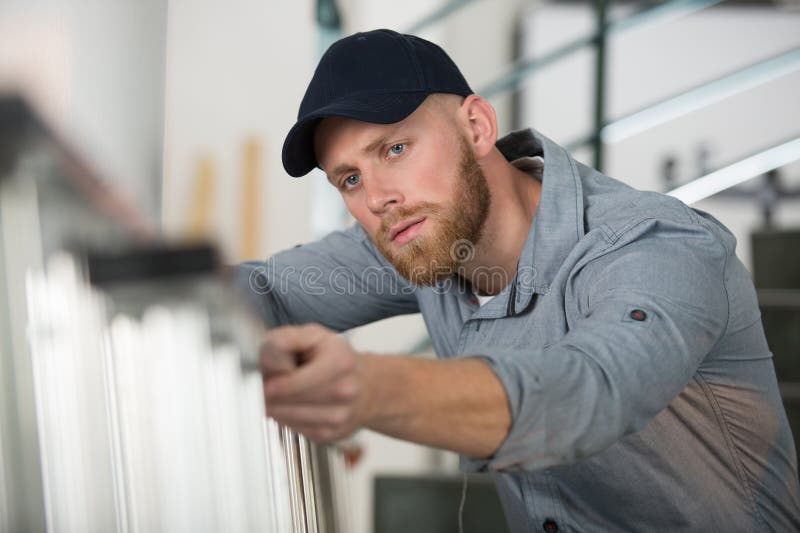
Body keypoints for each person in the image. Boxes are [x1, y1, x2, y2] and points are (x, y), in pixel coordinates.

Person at [238, 29, 800, 532]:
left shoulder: (656, 243)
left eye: (396, 148)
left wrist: (369, 389)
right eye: (351, 178)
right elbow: (270, 292)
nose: (378, 196)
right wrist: (168, 285)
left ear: (477, 127)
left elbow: (592, 389)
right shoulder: (422, 234)